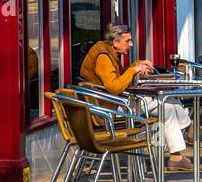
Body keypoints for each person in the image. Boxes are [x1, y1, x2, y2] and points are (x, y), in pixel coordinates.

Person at [79, 25, 193, 172]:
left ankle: (180, 151)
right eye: (128, 41)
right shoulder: (103, 57)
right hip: (108, 109)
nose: (131, 44)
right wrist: (133, 70)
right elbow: (114, 87)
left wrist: (136, 65)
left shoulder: (107, 52)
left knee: (168, 103)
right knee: (167, 105)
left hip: (111, 103)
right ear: (115, 41)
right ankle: (187, 138)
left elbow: (117, 77)